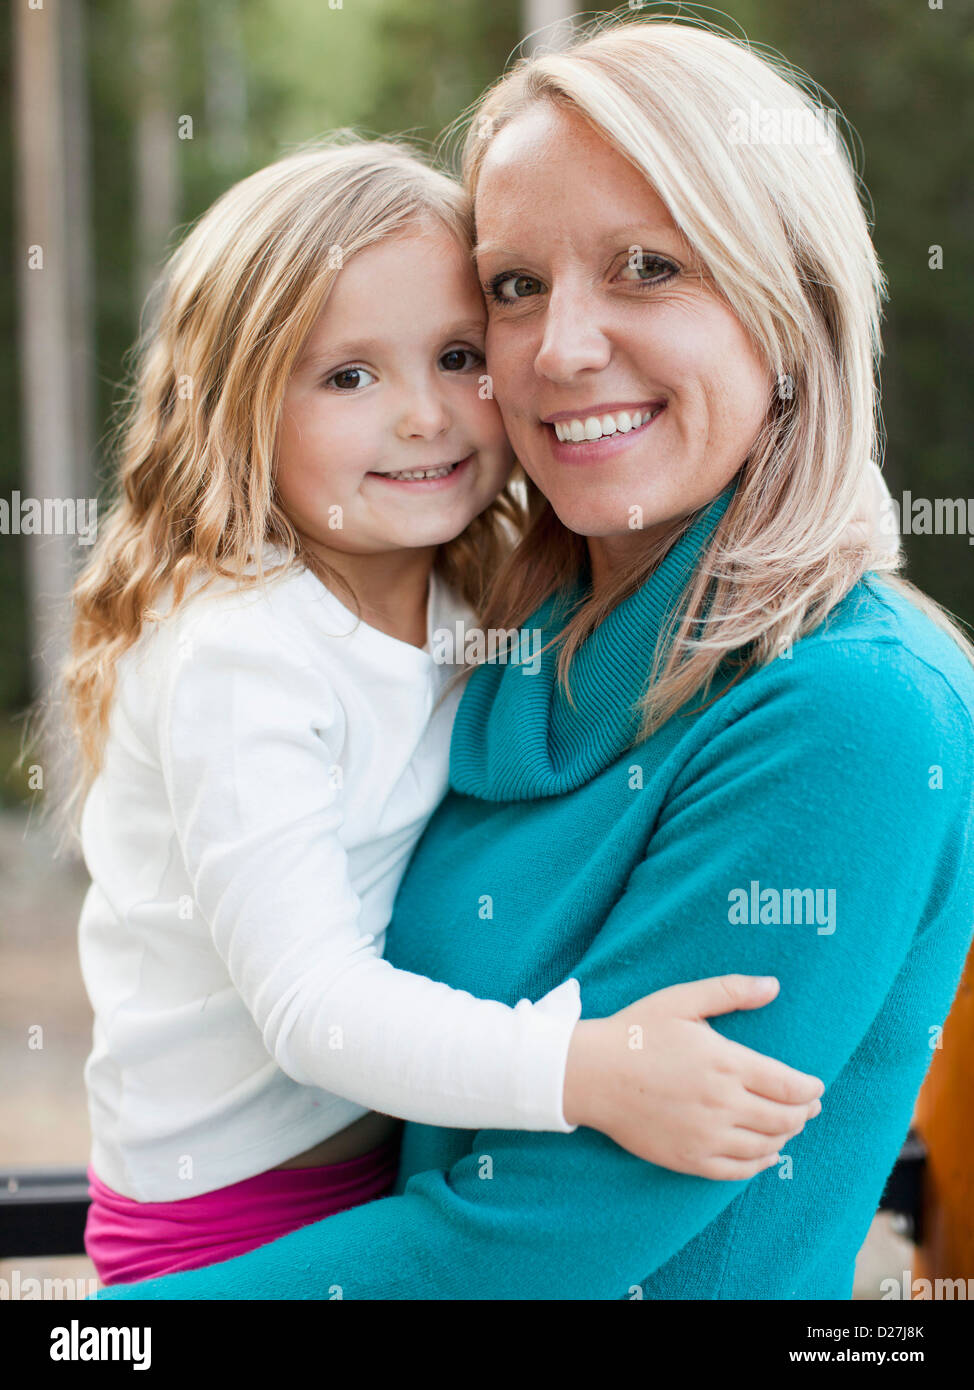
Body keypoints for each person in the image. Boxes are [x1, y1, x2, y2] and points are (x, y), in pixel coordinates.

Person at [94, 15, 974, 1302]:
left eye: (647, 267)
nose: (557, 348)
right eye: (510, 288)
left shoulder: (849, 706)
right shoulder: (505, 644)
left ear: (790, 307)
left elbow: (540, 1242)